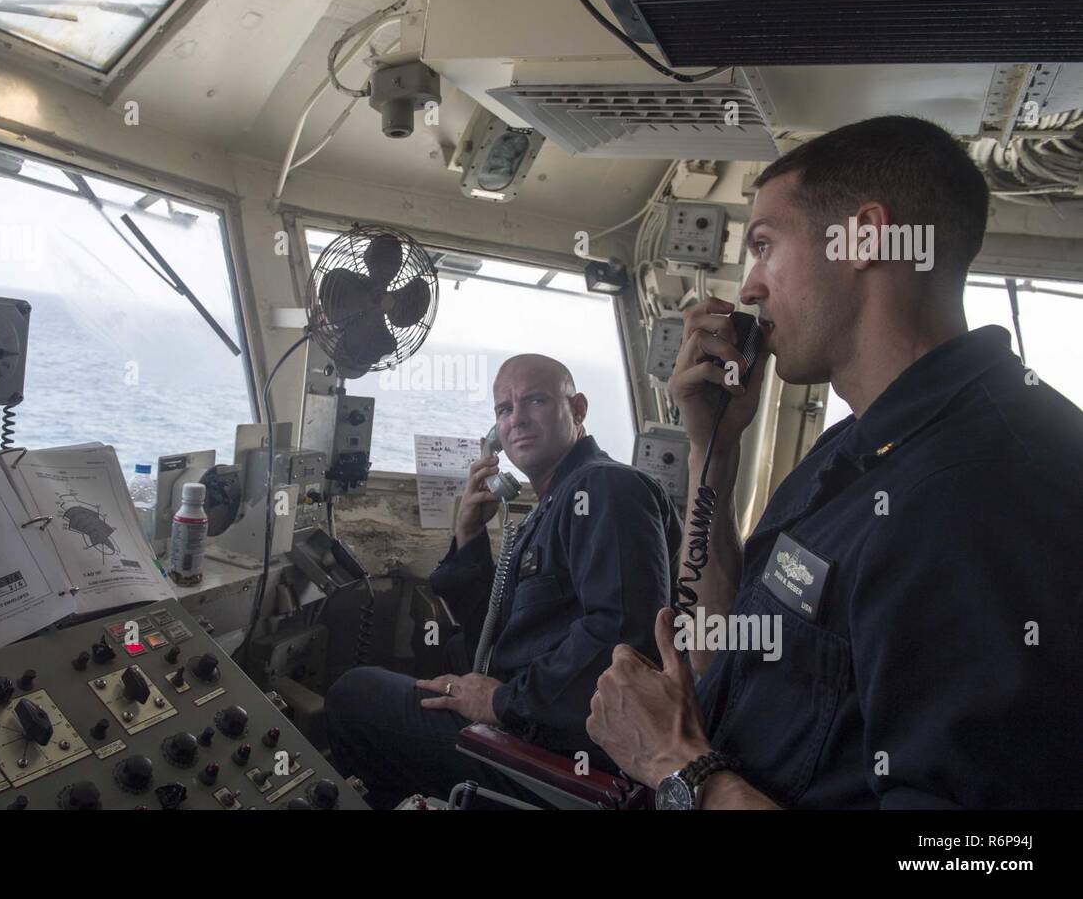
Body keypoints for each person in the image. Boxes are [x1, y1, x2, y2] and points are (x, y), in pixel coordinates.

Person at [588, 115, 1083, 809]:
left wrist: (681, 771)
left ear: (865, 238)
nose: (750, 288)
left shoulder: (992, 488)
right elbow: (719, 652)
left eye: (764, 245)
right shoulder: (856, 447)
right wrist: (714, 451)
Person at [326, 353, 682, 808]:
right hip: (537, 720)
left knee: (356, 696)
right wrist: (470, 534)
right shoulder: (555, 501)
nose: (516, 420)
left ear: (577, 410)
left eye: (534, 400)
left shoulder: (605, 487)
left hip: (570, 752)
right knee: (439, 657)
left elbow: (620, 640)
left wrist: (500, 703)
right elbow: (494, 634)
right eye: (503, 409)